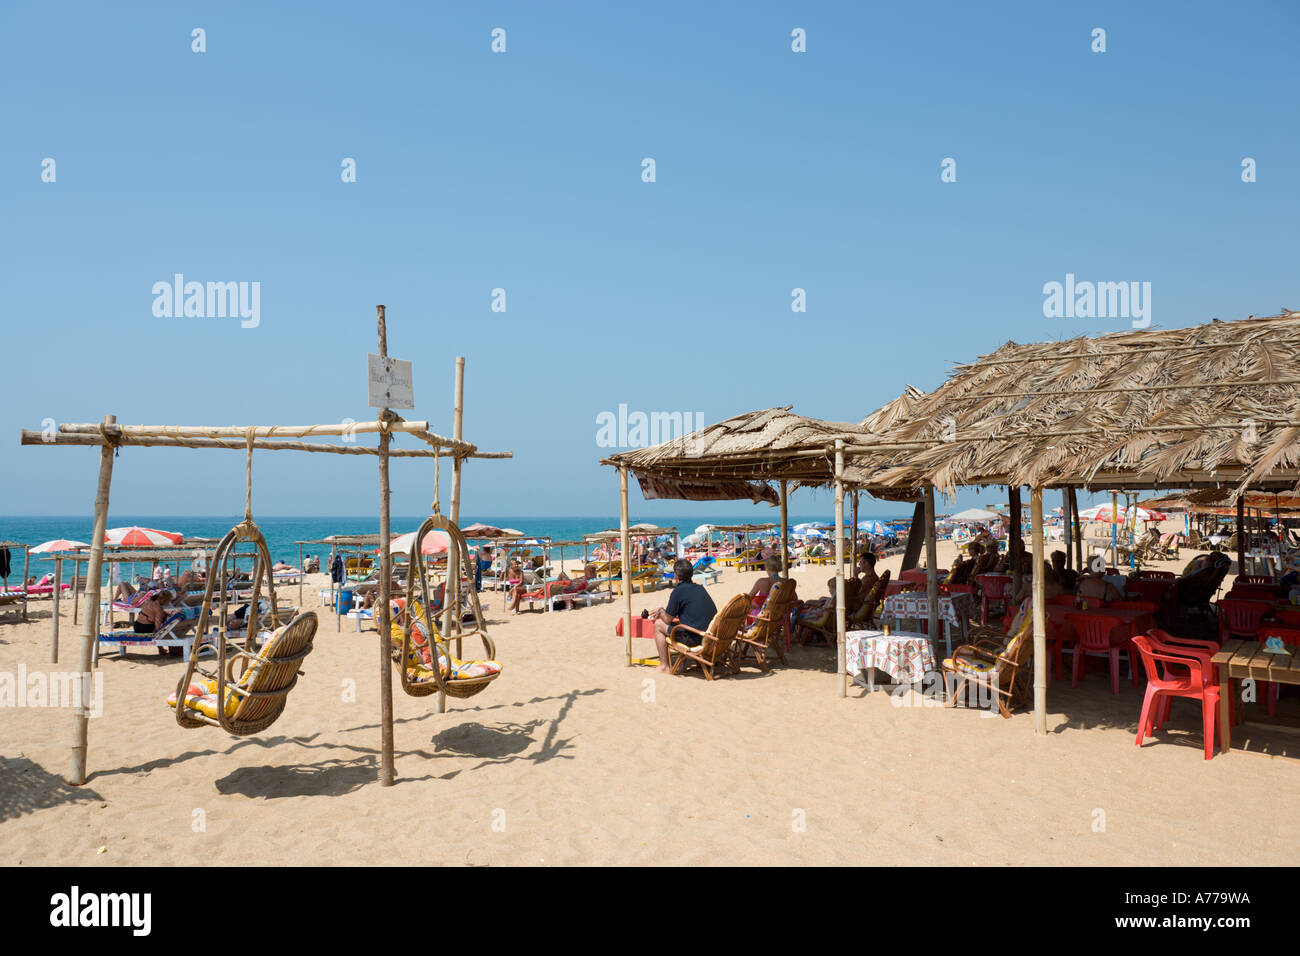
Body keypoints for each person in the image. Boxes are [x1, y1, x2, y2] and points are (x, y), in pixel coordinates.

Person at [651, 558, 718, 673]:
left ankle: (664, 666)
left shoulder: (678, 592)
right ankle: (681, 663)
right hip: (710, 636)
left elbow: (667, 619)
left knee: (658, 625)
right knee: (681, 624)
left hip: (694, 639)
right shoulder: (700, 588)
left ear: (676, 576)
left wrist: (660, 611)